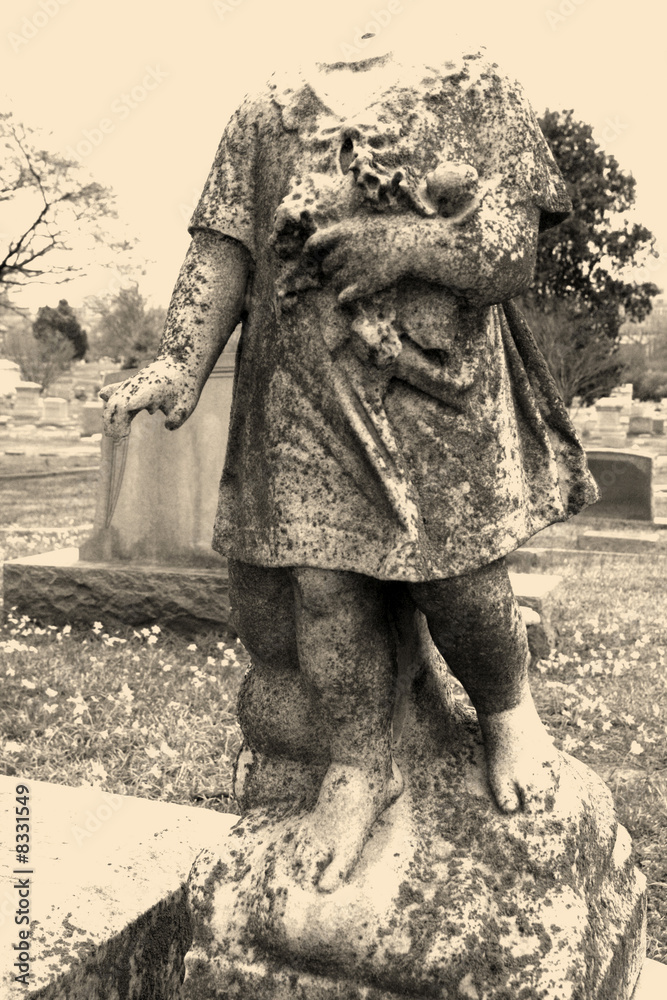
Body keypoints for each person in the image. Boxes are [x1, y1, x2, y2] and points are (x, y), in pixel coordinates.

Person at [102, 43, 598, 893]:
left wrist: (403, 246)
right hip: (299, 393)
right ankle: (358, 766)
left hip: (434, 392)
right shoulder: (264, 114)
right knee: (324, 592)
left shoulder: (479, 92)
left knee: (462, 582)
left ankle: (507, 709)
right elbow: (223, 249)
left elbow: (510, 249)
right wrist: (181, 363)